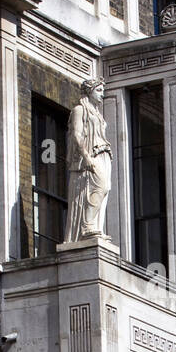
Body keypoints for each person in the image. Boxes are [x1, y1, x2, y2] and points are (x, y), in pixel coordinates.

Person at [64, 78, 112, 242]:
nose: (102, 94)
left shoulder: (97, 113)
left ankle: (95, 226)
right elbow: (77, 134)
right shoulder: (79, 110)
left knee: (105, 190)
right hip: (91, 154)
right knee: (101, 186)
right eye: (98, 90)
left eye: (102, 91)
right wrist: (86, 157)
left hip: (104, 154)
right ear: (89, 91)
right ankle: (87, 226)